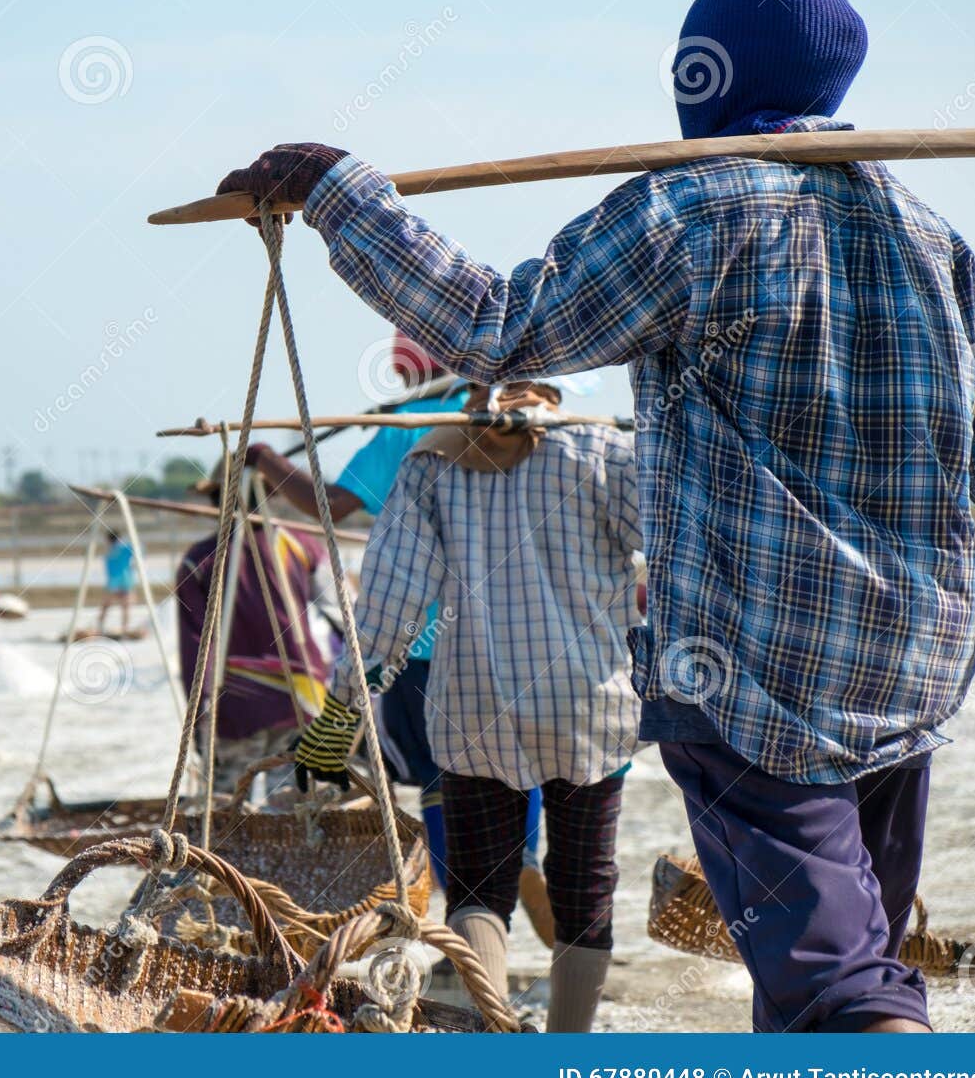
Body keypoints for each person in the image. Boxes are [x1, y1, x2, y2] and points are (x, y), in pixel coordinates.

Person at [218, 0, 975, 1033]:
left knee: (842, 997)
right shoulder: (937, 244)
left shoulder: (693, 210)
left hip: (749, 682)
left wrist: (336, 188)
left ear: (706, 78)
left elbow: (492, 320)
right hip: (903, 672)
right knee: (850, 965)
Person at [292, 380, 641, 1030]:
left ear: (474, 392)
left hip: (473, 708)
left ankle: (497, 1038)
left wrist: (339, 711)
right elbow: (681, 553)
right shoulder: (605, 450)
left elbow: (387, 608)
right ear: (549, 390)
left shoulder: (431, 460)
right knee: (584, 886)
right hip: (590, 707)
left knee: (480, 888)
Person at [245, 331, 482, 884]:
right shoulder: (505, 419)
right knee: (515, 775)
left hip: (423, 649)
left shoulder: (409, 427)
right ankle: (517, 870)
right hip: (509, 642)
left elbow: (335, 504)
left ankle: (465, 904)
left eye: (403, 377)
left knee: (438, 783)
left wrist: (265, 462)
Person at [175, 477, 331, 790]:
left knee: (226, 800)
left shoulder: (200, 560)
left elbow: (195, 647)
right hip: (302, 693)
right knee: (293, 801)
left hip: (234, 700)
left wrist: (200, 708)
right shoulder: (304, 546)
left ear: (218, 501)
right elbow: (344, 612)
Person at [97, 529, 136, 636]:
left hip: (114, 582)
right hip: (124, 581)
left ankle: (100, 626)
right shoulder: (123, 548)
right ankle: (125, 628)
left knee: (106, 605)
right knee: (125, 607)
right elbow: (138, 549)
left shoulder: (110, 553)